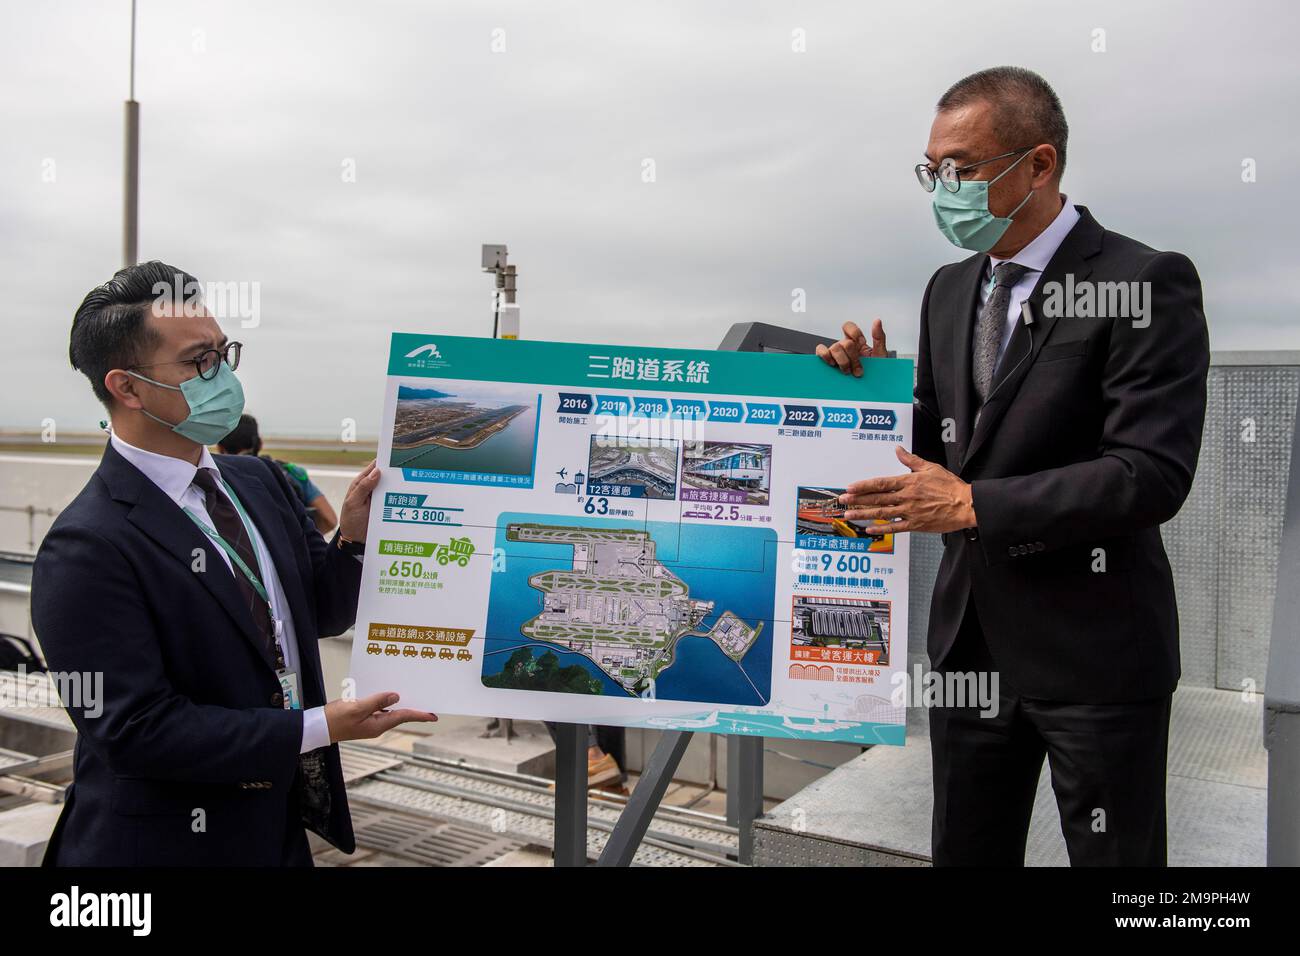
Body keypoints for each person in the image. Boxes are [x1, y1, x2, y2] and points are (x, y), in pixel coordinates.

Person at [818, 67, 1209, 866]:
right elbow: (942, 442)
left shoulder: (1140, 281)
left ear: (1039, 164)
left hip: (1096, 655)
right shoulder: (950, 288)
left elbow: (1148, 474)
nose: (944, 189)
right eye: (934, 171)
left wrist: (974, 507)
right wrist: (872, 397)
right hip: (969, 648)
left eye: (963, 168)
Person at [31, 261, 438, 866]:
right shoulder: (86, 546)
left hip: (275, 831)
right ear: (127, 388)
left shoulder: (259, 482)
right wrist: (318, 726)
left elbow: (318, 611)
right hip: (160, 849)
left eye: (225, 353)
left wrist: (351, 539)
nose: (221, 376)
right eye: (199, 362)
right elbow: (135, 731)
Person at [218, 413, 339, 535]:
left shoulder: (214, 480)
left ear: (220, 448)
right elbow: (329, 519)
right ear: (260, 444)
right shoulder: (290, 473)